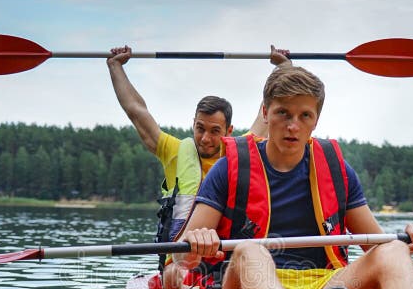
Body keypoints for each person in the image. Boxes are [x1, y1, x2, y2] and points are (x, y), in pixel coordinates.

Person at [165, 65, 413, 289]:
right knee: (251, 250)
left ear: (316, 119)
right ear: (265, 112)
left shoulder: (336, 170)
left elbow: (377, 245)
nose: (293, 125)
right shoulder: (227, 169)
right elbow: (182, 261)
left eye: (304, 115)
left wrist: (411, 238)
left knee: (393, 249)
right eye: (282, 113)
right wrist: (199, 239)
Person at [106, 45, 290, 246]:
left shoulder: (241, 152)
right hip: (180, 256)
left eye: (214, 131)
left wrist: (283, 67)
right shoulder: (173, 151)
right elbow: (136, 111)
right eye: (200, 128)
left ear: (229, 131)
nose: (204, 138)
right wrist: (115, 66)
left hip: (223, 254)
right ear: (193, 124)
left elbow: (269, 110)